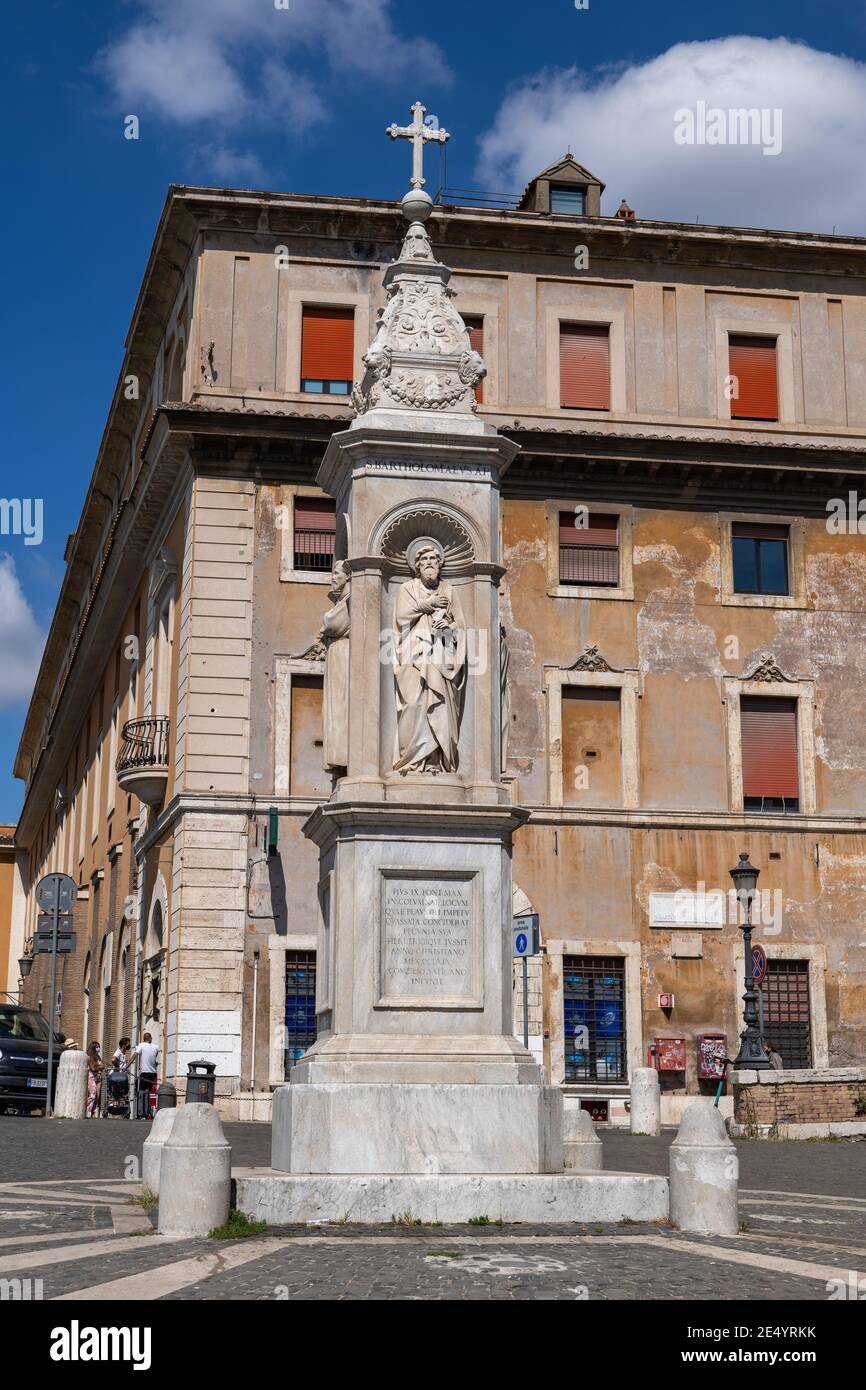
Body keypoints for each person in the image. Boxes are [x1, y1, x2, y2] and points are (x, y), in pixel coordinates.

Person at [130, 1033, 160, 1118]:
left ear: (143, 1039)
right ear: (150, 1038)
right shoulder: (156, 1047)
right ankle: (147, 1111)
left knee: (140, 1090)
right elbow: (154, 1057)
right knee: (148, 1091)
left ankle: (141, 1112)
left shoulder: (141, 1045)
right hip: (153, 1073)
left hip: (145, 1072)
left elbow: (135, 1055)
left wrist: (127, 1065)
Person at [85, 1042, 104, 1118]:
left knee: (97, 1096)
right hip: (91, 1077)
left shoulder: (98, 1056)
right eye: (97, 1047)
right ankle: (87, 1111)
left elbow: (102, 1066)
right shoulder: (89, 1057)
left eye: (99, 1047)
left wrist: (100, 1066)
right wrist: (100, 1066)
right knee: (92, 1094)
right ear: (93, 1048)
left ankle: (93, 1112)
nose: (98, 1048)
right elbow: (92, 1068)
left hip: (98, 1077)